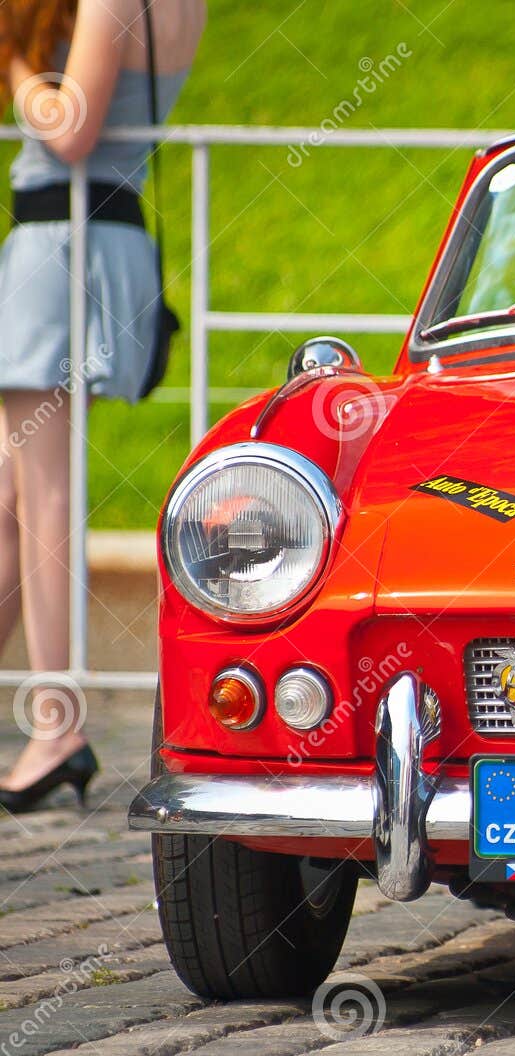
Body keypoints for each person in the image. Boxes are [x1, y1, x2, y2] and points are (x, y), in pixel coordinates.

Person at [0, 0, 203, 812]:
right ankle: (52, 718)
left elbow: (71, 127)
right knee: (13, 495)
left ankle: (56, 722)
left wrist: (14, 65)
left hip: (62, 243)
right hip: (105, 234)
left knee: (41, 494)